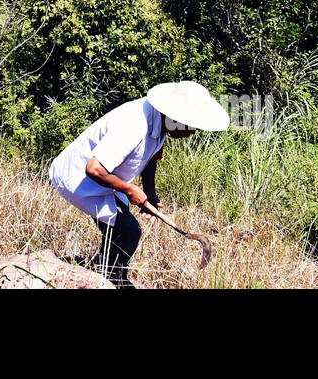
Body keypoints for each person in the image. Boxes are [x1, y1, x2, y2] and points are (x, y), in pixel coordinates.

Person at [49, 81, 229, 287]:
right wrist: (130, 189)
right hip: (77, 177)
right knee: (129, 230)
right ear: (175, 118)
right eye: (191, 126)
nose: (192, 133)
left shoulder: (161, 122)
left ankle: (103, 271)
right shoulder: (133, 126)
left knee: (119, 230)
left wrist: (150, 192)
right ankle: (109, 278)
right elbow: (94, 169)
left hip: (107, 178)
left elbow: (152, 157)